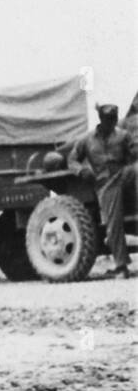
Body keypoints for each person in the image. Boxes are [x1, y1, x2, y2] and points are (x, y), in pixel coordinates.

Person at [70, 103, 137, 279]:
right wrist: (81, 170)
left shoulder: (123, 136)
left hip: (123, 175)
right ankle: (121, 266)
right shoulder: (87, 139)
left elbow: (134, 153)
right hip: (104, 181)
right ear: (101, 119)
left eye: (113, 119)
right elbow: (73, 159)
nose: (111, 123)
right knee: (113, 222)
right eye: (107, 119)